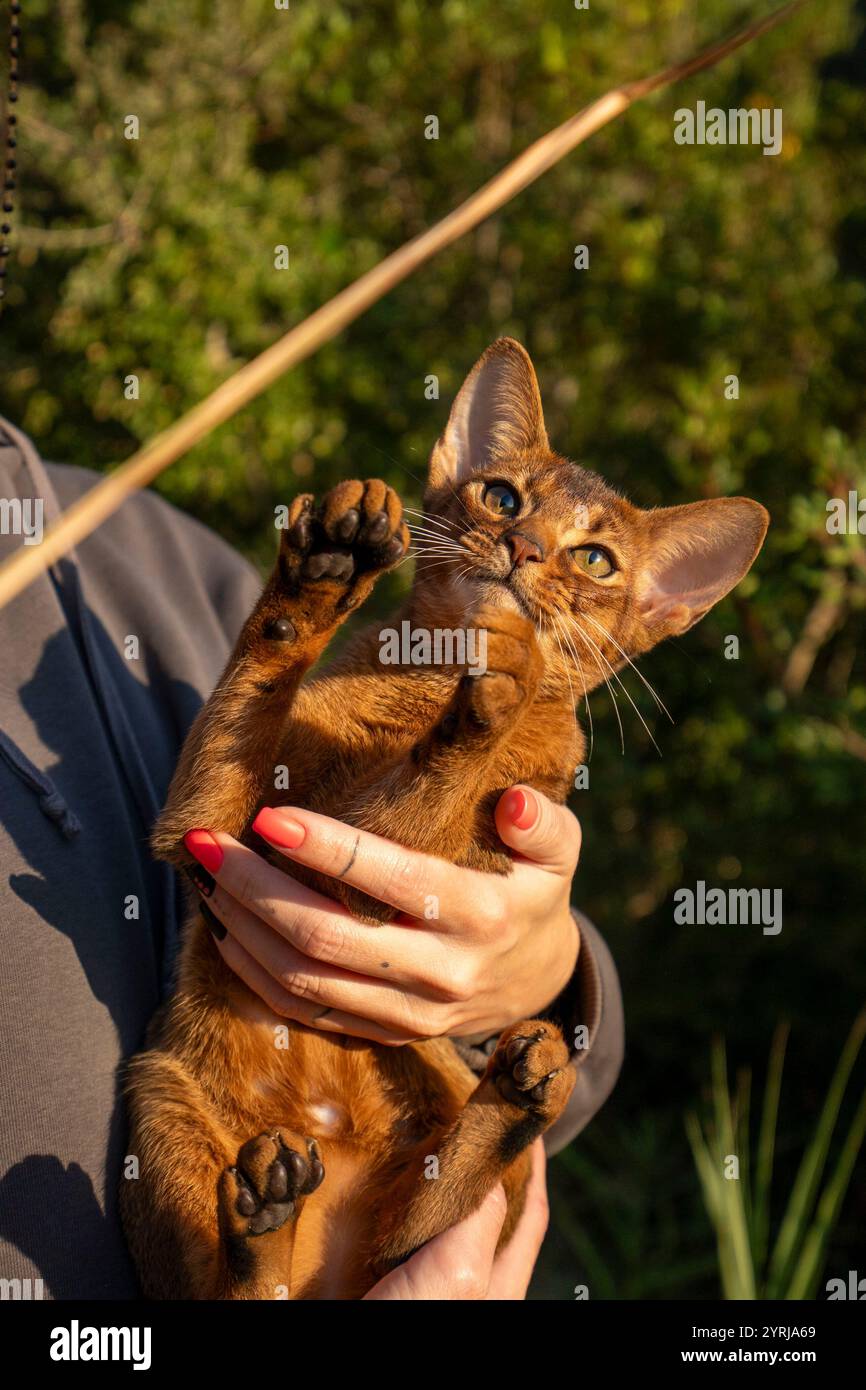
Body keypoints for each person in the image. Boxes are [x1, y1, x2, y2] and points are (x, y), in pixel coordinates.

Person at [0, 414, 624, 1299]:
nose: (527, 547)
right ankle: (252, 1273)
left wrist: (555, 973)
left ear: (662, 613)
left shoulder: (153, 550)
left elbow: (395, 904)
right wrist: (295, 627)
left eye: (593, 560)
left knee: (487, 1155)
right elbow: (201, 831)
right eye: (504, 498)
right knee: (163, 1098)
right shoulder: (358, 666)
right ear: (453, 470)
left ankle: (488, 1128)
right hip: (228, 1108)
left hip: (402, 1168)